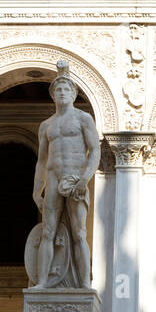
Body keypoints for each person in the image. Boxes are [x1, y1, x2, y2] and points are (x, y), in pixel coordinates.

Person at [31, 61, 99, 288]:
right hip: (52, 179)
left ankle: (85, 285)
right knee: (48, 232)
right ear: (52, 95)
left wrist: (85, 179)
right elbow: (41, 161)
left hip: (75, 179)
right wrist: (36, 191)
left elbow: (95, 150)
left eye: (66, 89)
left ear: (73, 93)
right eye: (57, 90)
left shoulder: (83, 119)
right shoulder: (46, 125)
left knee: (80, 233)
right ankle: (42, 282)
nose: (61, 93)